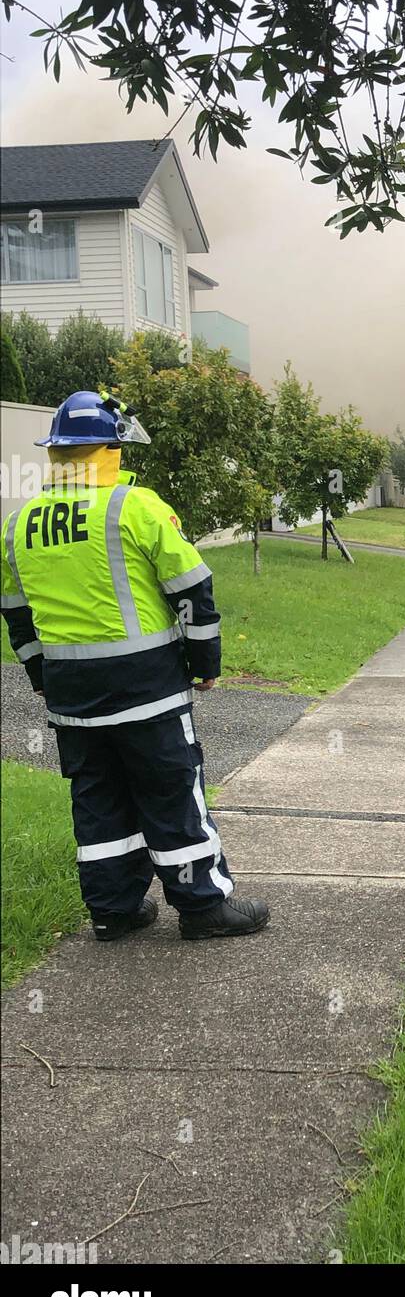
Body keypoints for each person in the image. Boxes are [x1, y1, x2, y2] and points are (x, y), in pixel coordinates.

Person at [0, 390, 269, 943]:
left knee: (98, 799)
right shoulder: (134, 505)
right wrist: (205, 660)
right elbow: (192, 586)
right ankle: (201, 907)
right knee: (171, 788)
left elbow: (17, 618)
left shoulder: (19, 522)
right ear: (110, 448)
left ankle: (112, 911)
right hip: (146, 687)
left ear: (57, 452)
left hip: (71, 695)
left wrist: (42, 678)